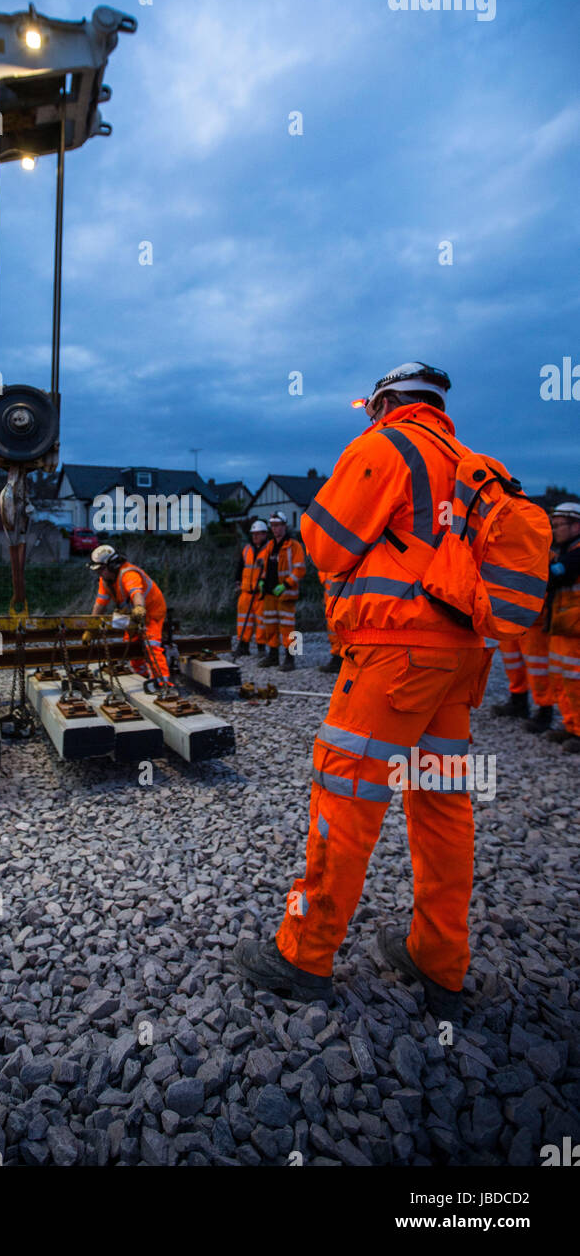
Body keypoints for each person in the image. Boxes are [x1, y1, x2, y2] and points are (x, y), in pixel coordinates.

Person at [233, 361, 545, 1018]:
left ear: (386, 403)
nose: (368, 418)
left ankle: (304, 956)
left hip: (395, 658)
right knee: (442, 804)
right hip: (460, 664)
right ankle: (440, 963)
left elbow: (324, 542)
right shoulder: (470, 464)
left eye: (370, 408)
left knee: (346, 794)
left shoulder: (388, 446)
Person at [83, 544, 172, 686]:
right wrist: (91, 628)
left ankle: (163, 684)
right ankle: (141, 675)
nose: (99, 573)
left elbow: (136, 594)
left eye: (101, 569)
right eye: (97, 570)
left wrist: (139, 608)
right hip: (132, 614)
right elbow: (99, 605)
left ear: (112, 565)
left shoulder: (129, 574)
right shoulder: (105, 581)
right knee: (130, 644)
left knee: (151, 645)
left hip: (152, 612)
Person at [542, 502, 580, 753]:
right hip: (565, 626)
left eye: (559, 526)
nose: (556, 531)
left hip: (574, 629)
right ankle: (571, 725)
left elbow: (556, 576)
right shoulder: (566, 551)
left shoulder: (576, 554)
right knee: (562, 679)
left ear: (576, 525)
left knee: (574, 681)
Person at [256, 511, 306, 671]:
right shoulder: (270, 545)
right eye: (273, 526)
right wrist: (262, 581)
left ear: (284, 526)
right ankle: (273, 655)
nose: (275, 529)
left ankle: (290, 659)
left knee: (287, 628)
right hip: (270, 593)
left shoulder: (294, 546)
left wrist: (285, 584)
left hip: (285, 594)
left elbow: (300, 569)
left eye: (278, 525)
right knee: (270, 625)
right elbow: (266, 566)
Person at [234, 519, 268, 655]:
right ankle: (243, 646)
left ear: (265, 534)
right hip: (246, 591)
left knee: (261, 622)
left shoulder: (269, 549)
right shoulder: (247, 549)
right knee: (243, 620)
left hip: (260, 593)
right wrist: (237, 581)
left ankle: (261, 648)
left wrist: (265, 584)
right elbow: (240, 566)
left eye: (258, 534)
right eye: (253, 534)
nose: (255, 536)